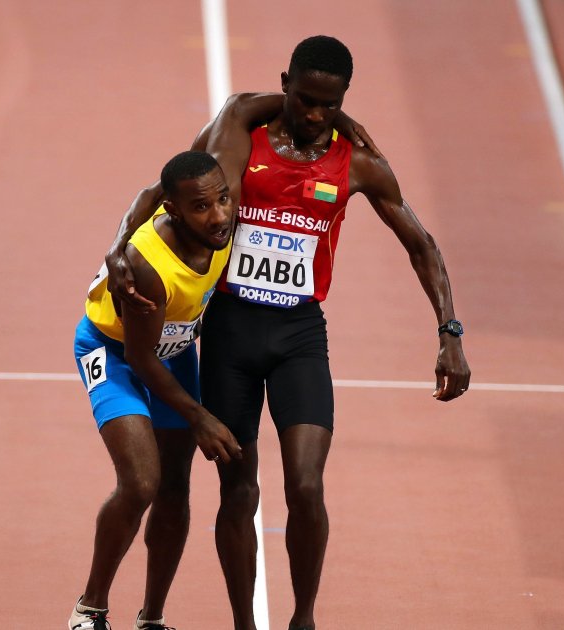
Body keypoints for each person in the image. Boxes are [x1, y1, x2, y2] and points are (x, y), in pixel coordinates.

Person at [105, 36, 471, 630]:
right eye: (305, 100)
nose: (316, 115)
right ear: (285, 85)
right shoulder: (239, 136)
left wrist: (449, 330)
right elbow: (163, 189)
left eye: (331, 105)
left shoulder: (358, 164)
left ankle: (303, 619)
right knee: (239, 489)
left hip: (299, 335)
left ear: (344, 101)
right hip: (229, 333)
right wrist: (119, 247)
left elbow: (421, 245)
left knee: (306, 485)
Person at [70, 151, 244, 630]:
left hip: (173, 349)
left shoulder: (222, 220)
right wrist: (199, 416)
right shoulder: (147, 265)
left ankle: (152, 619)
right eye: (201, 208)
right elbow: (141, 359)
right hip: (116, 352)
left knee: (174, 486)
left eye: (223, 200)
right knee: (142, 481)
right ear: (173, 210)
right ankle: (89, 609)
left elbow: (151, 189)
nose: (219, 216)